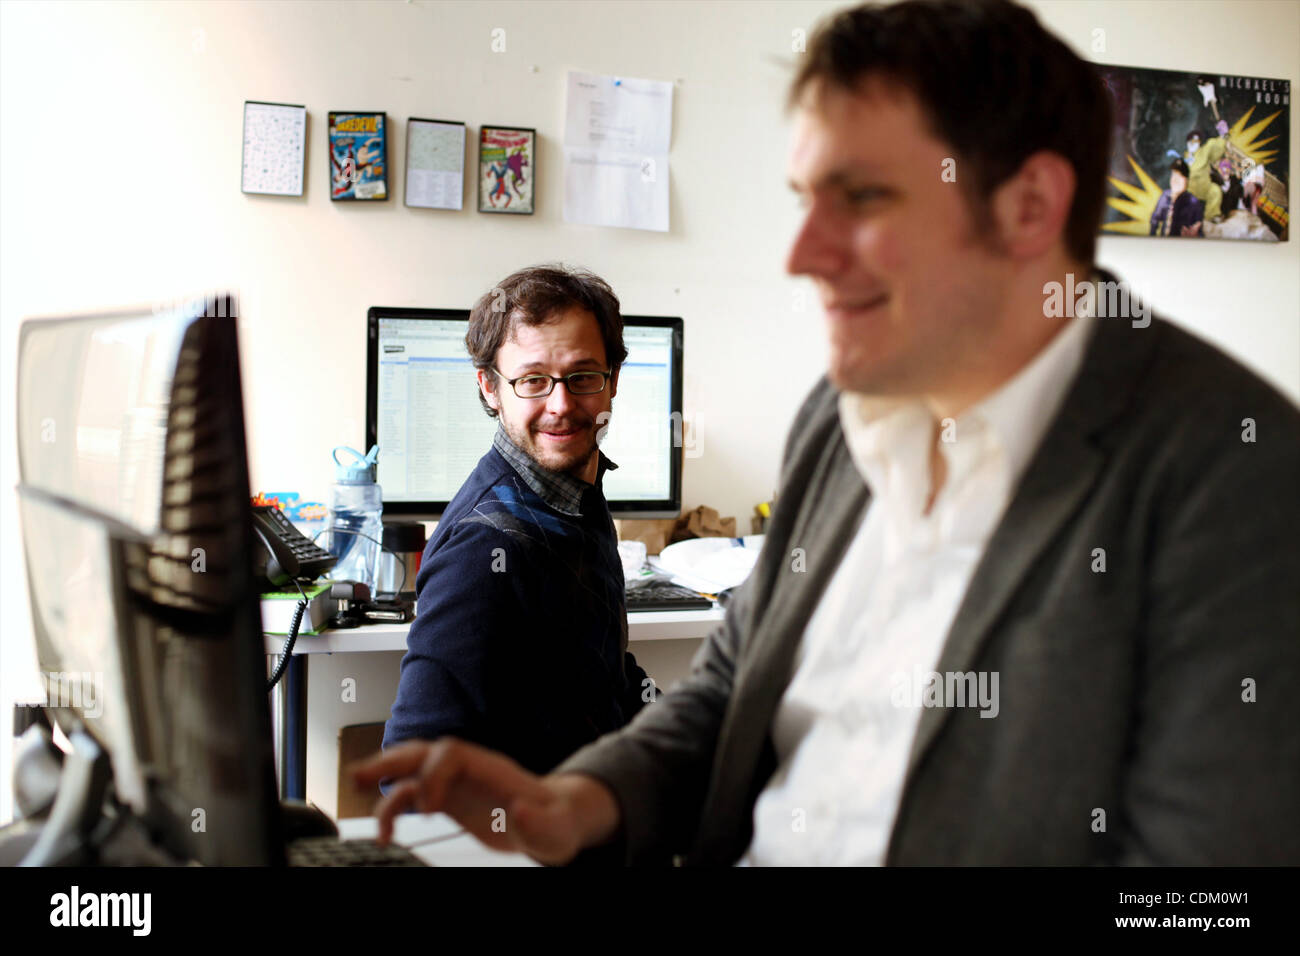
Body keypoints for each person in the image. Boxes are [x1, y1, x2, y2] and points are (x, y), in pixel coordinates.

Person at [353, 0, 1300, 865]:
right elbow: (731, 687)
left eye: (864, 200)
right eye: (807, 198)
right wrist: (580, 800)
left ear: (1030, 208)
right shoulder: (843, 417)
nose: (804, 255)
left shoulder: (1236, 475)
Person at [380, 264, 655, 776]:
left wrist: (689, 738)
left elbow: (604, 672)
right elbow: (410, 773)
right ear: (489, 387)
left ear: (613, 380)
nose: (561, 405)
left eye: (583, 377)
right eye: (533, 380)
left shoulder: (575, 491)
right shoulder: (483, 549)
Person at [1149, 159, 1204, 237]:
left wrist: (1195, 236)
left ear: (1187, 180)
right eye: (1174, 174)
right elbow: (1155, 219)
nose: (1175, 179)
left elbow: (1199, 231)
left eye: (1180, 176)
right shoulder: (1165, 196)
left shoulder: (1194, 203)